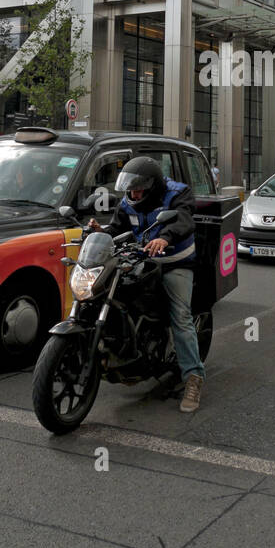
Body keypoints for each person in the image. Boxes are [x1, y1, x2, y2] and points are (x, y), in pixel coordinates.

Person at [87, 156, 205, 413]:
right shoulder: (129, 200)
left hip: (174, 262)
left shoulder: (177, 194)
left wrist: (164, 238)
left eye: (138, 188)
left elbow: (184, 221)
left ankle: (193, 379)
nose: (133, 193)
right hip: (140, 261)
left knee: (181, 317)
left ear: (153, 185)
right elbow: (117, 228)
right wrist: (100, 232)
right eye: (130, 188)